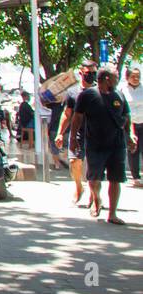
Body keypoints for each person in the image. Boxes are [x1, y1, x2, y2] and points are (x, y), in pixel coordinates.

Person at [70, 64, 136, 224]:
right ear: (107, 78)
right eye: (115, 76)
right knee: (93, 179)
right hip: (95, 144)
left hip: (116, 144)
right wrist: (72, 138)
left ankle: (112, 214)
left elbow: (126, 116)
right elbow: (77, 118)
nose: (118, 79)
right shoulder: (87, 95)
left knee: (116, 179)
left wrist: (130, 135)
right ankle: (97, 198)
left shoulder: (119, 95)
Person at [57, 62, 97, 206]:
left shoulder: (99, 91)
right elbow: (67, 114)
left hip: (95, 134)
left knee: (94, 166)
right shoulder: (73, 92)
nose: (92, 75)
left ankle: (95, 195)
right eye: (89, 72)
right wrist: (60, 133)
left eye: (94, 72)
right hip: (77, 133)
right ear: (81, 73)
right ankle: (79, 187)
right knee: (74, 162)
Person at [124, 66, 143, 187]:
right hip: (130, 124)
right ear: (127, 77)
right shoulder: (122, 90)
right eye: (133, 76)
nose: (136, 78)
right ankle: (136, 177)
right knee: (133, 150)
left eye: (138, 76)